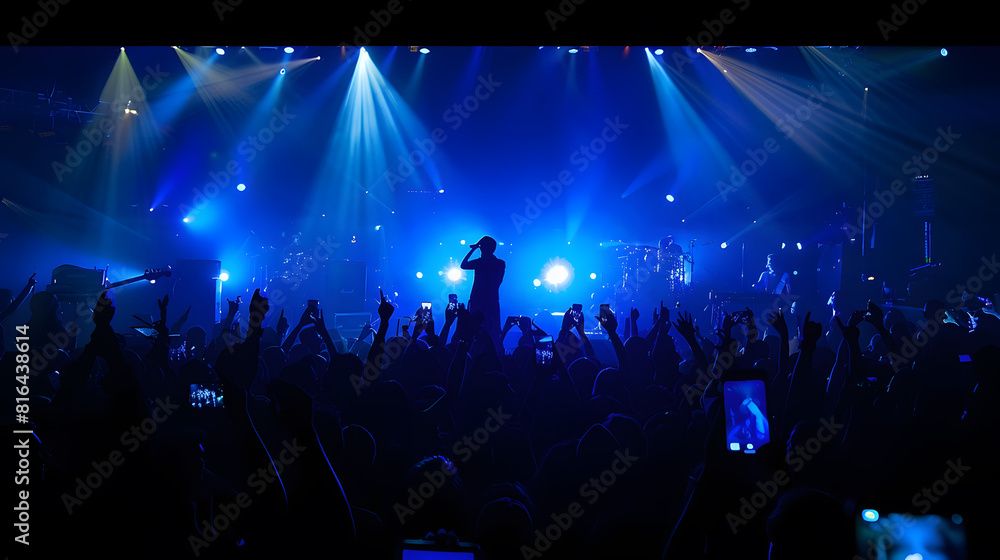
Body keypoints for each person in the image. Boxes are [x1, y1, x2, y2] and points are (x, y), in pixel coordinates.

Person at [460, 236, 505, 344]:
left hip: (479, 300)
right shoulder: (499, 263)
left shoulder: (484, 263)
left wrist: (473, 249)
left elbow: (463, 265)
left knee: (476, 328)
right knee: (490, 329)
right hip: (490, 299)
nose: (480, 249)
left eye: (481, 247)